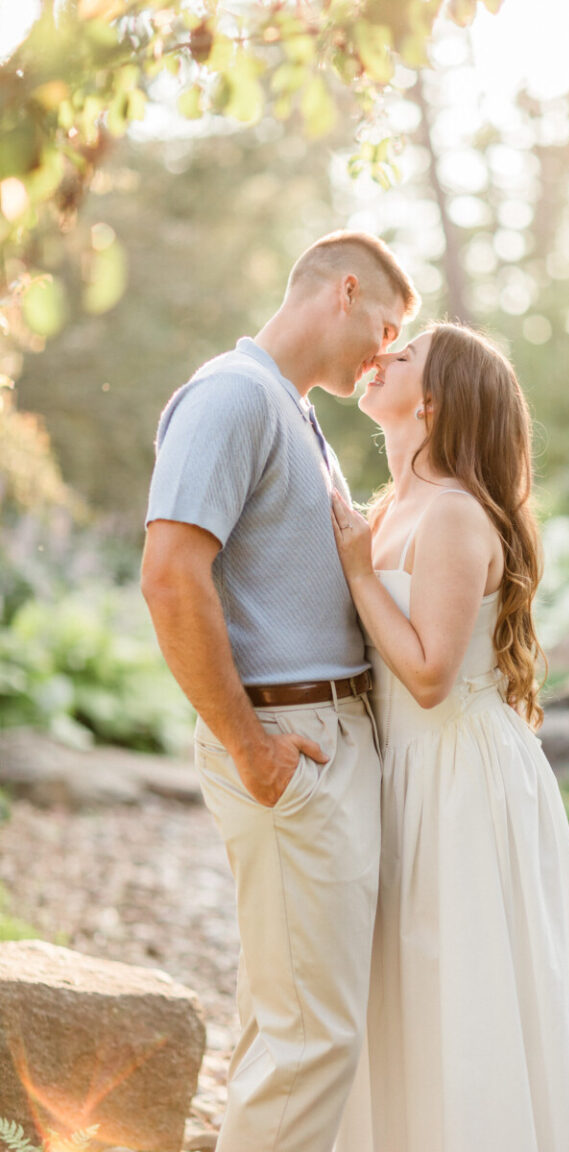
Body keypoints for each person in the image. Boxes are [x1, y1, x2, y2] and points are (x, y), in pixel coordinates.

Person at [141, 231, 420, 1152]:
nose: (386, 350)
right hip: (288, 739)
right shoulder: (233, 394)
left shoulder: (292, 412)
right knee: (311, 1043)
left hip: (317, 735)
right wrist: (252, 750)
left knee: (287, 1025)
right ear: (345, 291)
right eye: (385, 324)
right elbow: (172, 576)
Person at [330, 322, 569, 1152]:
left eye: (406, 353)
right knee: (406, 993)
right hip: (405, 767)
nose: (381, 355)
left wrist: (355, 570)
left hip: (457, 777)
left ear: (433, 399)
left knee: (460, 992)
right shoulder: (390, 506)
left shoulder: (453, 512)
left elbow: (427, 672)